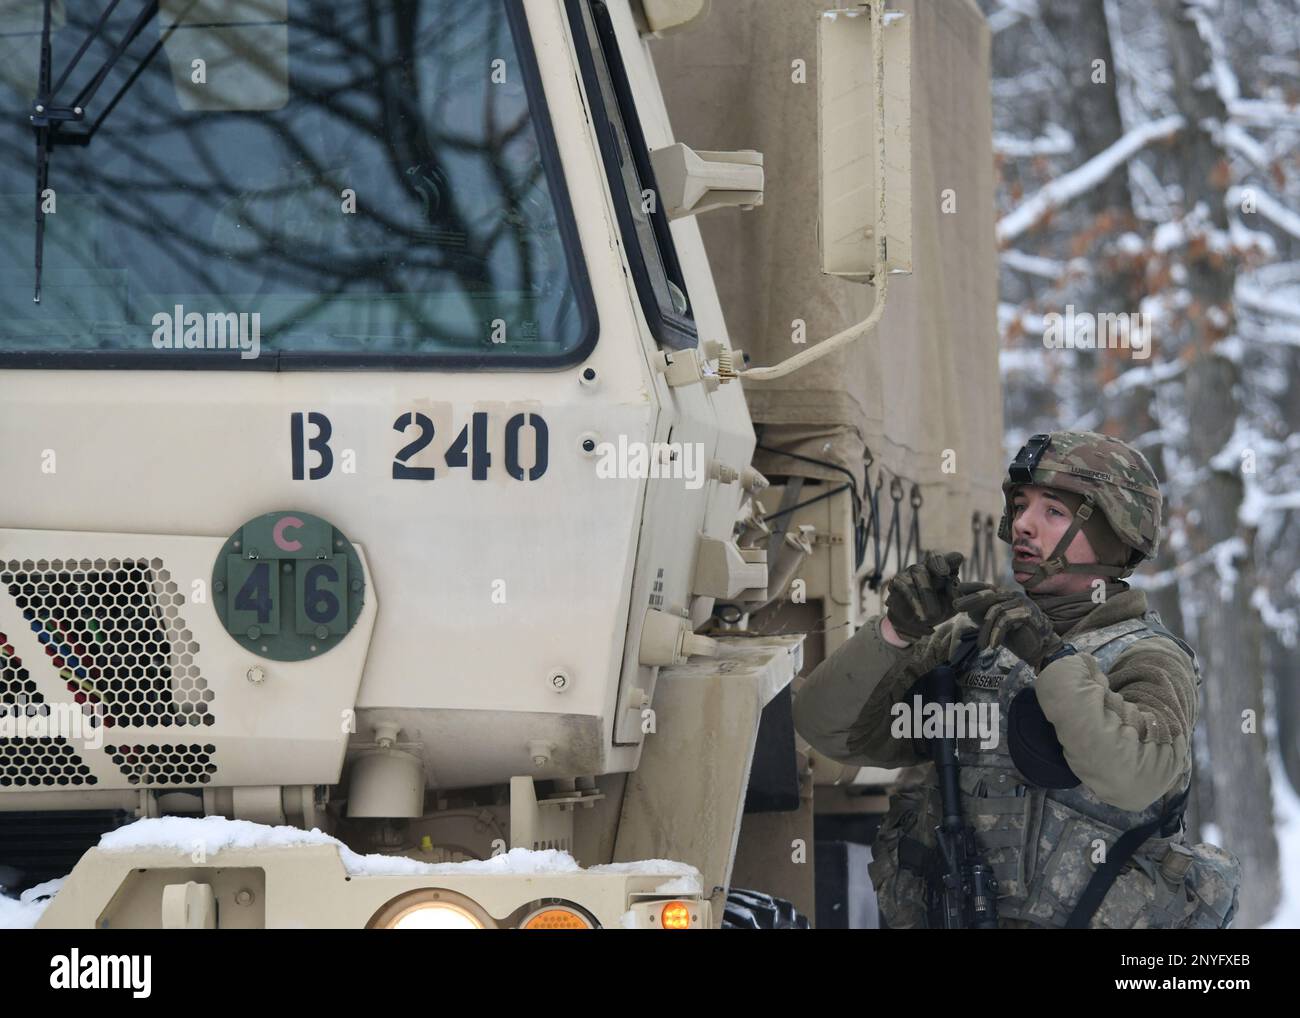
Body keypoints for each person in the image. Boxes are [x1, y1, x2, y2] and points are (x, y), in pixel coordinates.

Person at [793, 430, 1241, 928]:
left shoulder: (1150, 657)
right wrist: (896, 632)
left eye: (1053, 512)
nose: (1023, 525)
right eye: (1021, 506)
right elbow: (827, 730)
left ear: (1116, 530)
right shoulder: (970, 645)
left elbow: (1133, 775)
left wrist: (1051, 658)